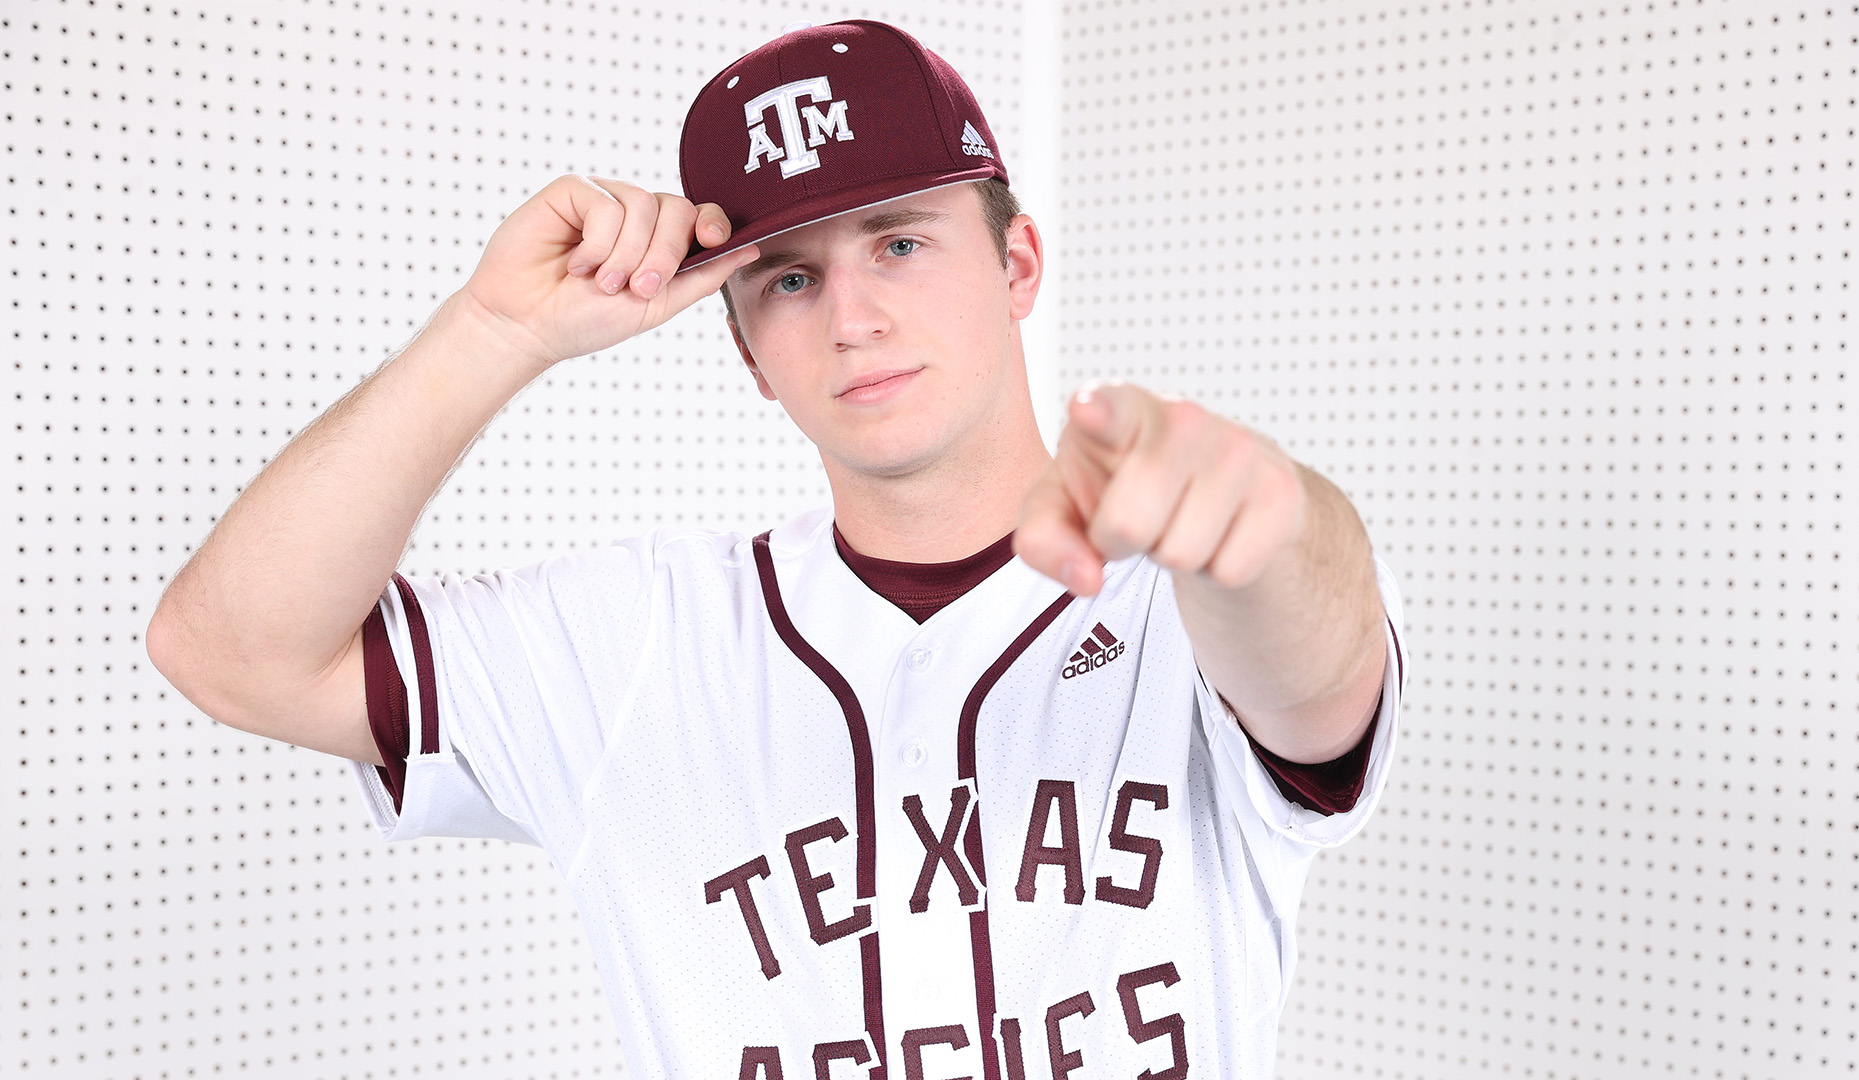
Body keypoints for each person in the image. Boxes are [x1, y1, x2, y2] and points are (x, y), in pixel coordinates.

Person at [147, 19, 1403, 1080]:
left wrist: (1267, 527)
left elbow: (1315, 657)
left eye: (900, 242)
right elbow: (230, 651)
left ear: (1016, 261)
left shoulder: (1183, 590)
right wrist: (491, 333)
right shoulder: (638, 636)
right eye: (788, 280)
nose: (852, 317)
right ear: (744, 347)